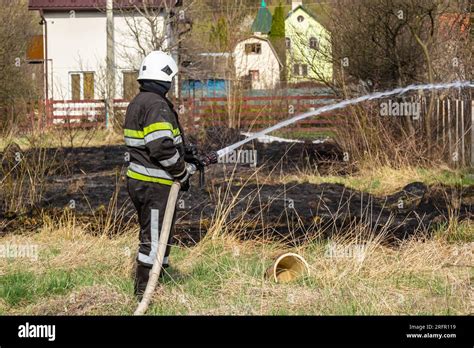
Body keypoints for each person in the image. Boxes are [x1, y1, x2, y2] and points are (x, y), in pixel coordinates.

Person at [123, 51, 193, 300]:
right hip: (154, 185)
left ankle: (157, 284)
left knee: (158, 233)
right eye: (171, 78)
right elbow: (161, 146)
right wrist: (181, 172)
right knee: (153, 238)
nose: (172, 84)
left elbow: (160, 142)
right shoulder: (156, 105)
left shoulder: (139, 102)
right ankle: (144, 293)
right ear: (163, 77)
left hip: (143, 181)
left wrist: (187, 154)